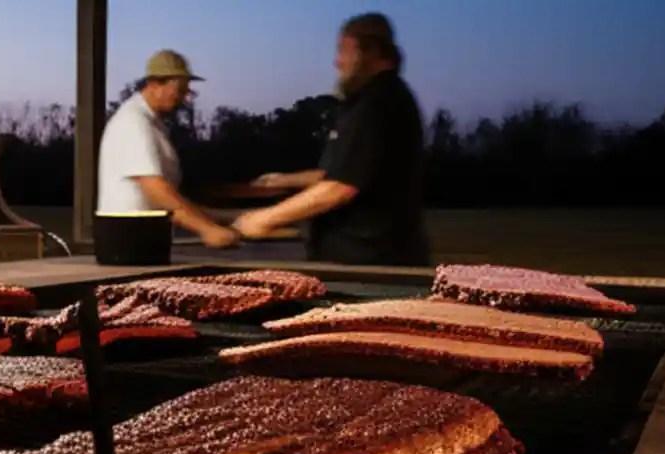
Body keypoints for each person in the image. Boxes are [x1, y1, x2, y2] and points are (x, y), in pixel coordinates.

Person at [234, 13, 429, 266]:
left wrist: (265, 218)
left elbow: (341, 187)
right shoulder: (368, 101)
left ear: (370, 51)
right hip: (359, 257)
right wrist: (282, 179)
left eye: (344, 50)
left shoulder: (379, 102)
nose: (337, 62)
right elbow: (337, 172)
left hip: (371, 260)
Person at [97, 49, 240, 249]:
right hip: (128, 240)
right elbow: (157, 190)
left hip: (146, 235)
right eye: (180, 90)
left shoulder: (153, 123)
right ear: (155, 84)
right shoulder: (133, 122)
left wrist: (225, 218)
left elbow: (171, 195)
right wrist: (206, 229)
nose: (183, 98)